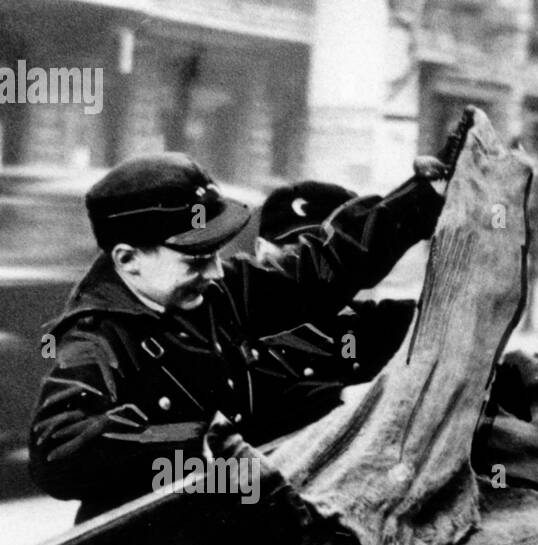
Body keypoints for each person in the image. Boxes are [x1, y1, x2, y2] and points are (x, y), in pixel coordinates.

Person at [29, 150, 448, 521]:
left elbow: (319, 268)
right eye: (195, 259)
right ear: (129, 259)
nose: (213, 272)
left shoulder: (214, 291)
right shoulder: (94, 340)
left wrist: (421, 198)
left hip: (237, 520)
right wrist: (193, 437)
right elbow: (57, 452)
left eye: (215, 253)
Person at [251, 180, 417, 438]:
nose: (308, 259)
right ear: (260, 248)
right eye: (296, 244)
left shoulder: (366, 325)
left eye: (322, 245)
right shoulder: (236, 313)